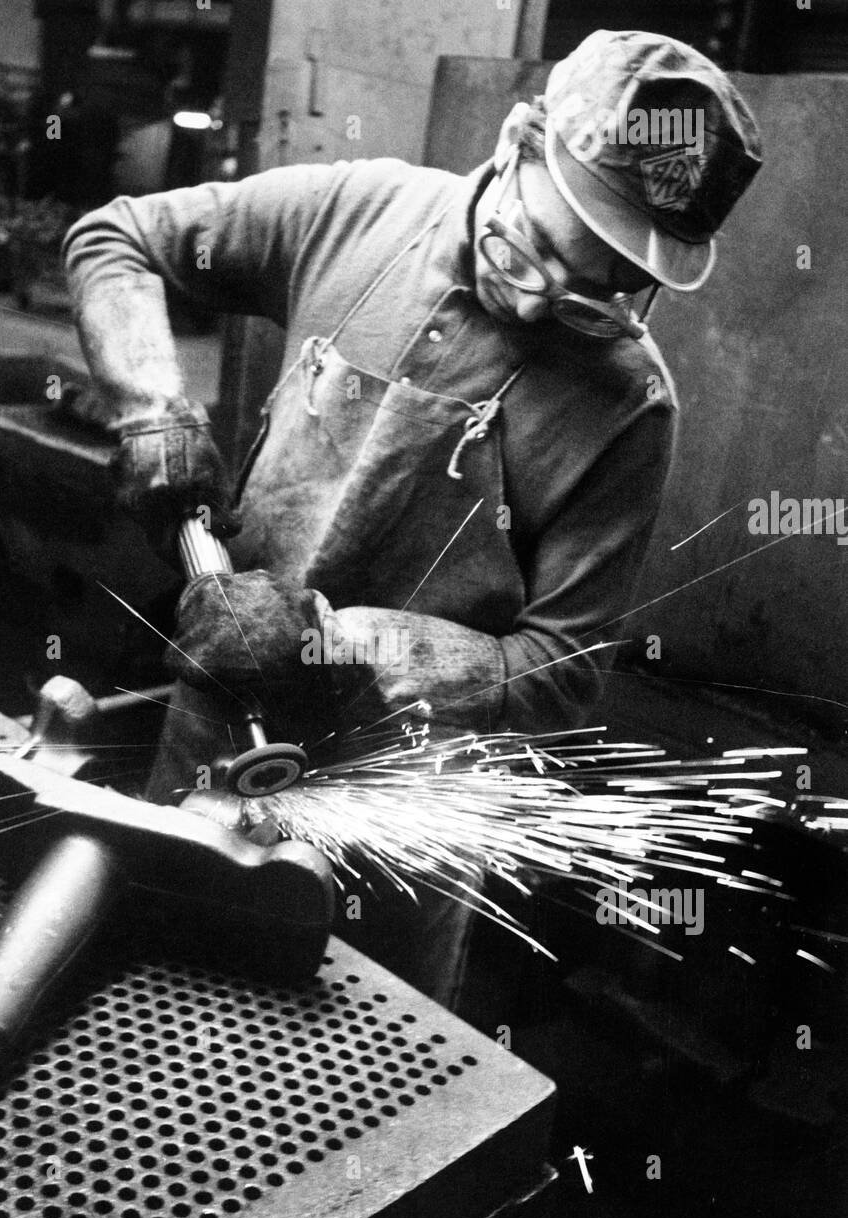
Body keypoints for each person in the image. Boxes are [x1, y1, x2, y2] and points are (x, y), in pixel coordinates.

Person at [62, 30, 763, 1011]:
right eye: (565, 246)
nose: (565, 293)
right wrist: (152, 409)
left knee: (373, 1090)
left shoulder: (627, 406)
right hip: (220, 732)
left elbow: (562, 670)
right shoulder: (356, 211)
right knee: (157, 1018)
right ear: (521, 140)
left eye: (609, 278)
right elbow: (115, 236)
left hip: (405, 810)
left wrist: (343, 644)